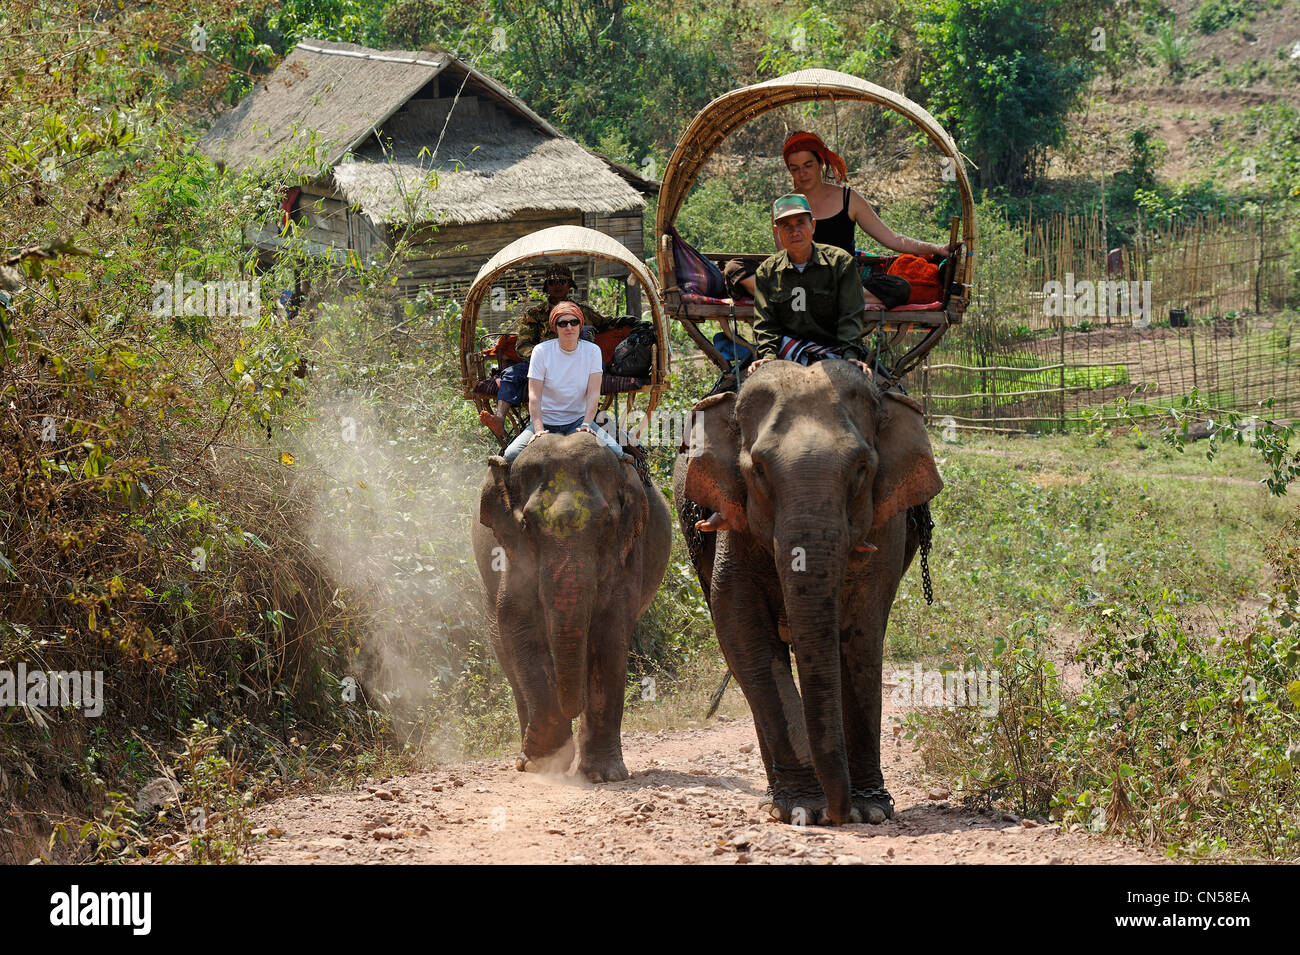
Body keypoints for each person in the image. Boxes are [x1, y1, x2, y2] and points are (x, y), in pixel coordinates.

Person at [726, 131, 961, 307]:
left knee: (897, 287)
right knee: (735, 268)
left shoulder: (849, 198)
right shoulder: (784, 205)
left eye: (808, 165)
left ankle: (820, 301)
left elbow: (894, 239)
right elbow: (783, 257)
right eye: (795, 168)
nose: (802, 173)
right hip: (799, 282)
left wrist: (937, 248)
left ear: (821, 163)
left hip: (840, 284)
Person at [749, 194, 876, 377]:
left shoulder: (840, 263)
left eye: (801, 223)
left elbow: (851, 314)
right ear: (777, 231)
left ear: (813, 225)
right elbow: (765, 323)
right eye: (786, 226)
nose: (795, 232)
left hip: (834, 350)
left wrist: (850, 355)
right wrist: (768, 356)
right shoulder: (767, 272)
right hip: (787, 353)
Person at [481, 264, 605, 439]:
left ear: (569, 284)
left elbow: (608, 323)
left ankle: (589, 420)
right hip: (539, 364)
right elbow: (522, 346)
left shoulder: (583, 311)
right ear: (546, 286)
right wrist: (545, 360)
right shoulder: (535, 314)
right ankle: (500, 419)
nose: (558, 285)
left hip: (577, 362)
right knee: (509, 375)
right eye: (553, 282)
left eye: (562, 281)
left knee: (600, 368)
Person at [501, 301, 625, 464]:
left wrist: (587, 424)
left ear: (580, 326)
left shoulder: (592, 351)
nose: (569, 327)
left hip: (577, 421)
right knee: (510, 455)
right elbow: (534, 396)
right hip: (545, 422)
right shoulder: (541, 351)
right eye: (563, 323)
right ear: (555, 327)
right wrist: (538, 431)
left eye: (574, 322)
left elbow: (593, 394)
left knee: (617, 451)